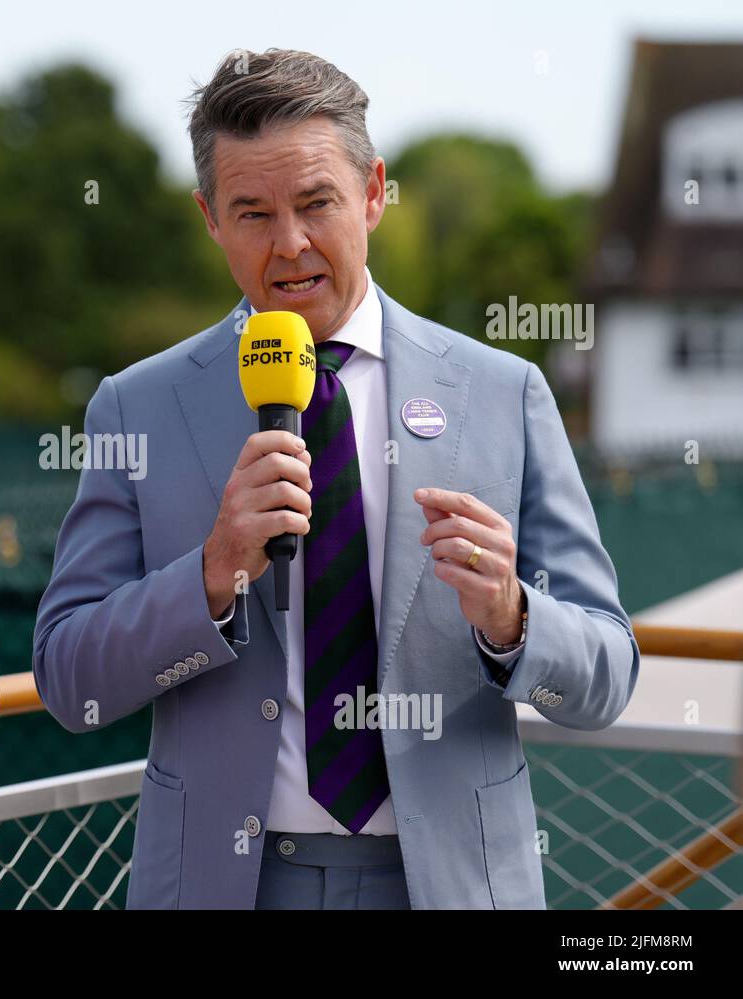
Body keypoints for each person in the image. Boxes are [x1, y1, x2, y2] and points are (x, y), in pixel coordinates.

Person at [32, 49, 638, 909]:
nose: (289, 244)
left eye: (317, 202)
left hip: (450, 885)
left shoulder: (505, 394)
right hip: (224, 883)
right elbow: (68, 679)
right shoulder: (137, 407)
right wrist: (207, 577)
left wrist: (511, 617)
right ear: (209, 217)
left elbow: (605, 679)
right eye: (252, 212)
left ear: (374, 192)